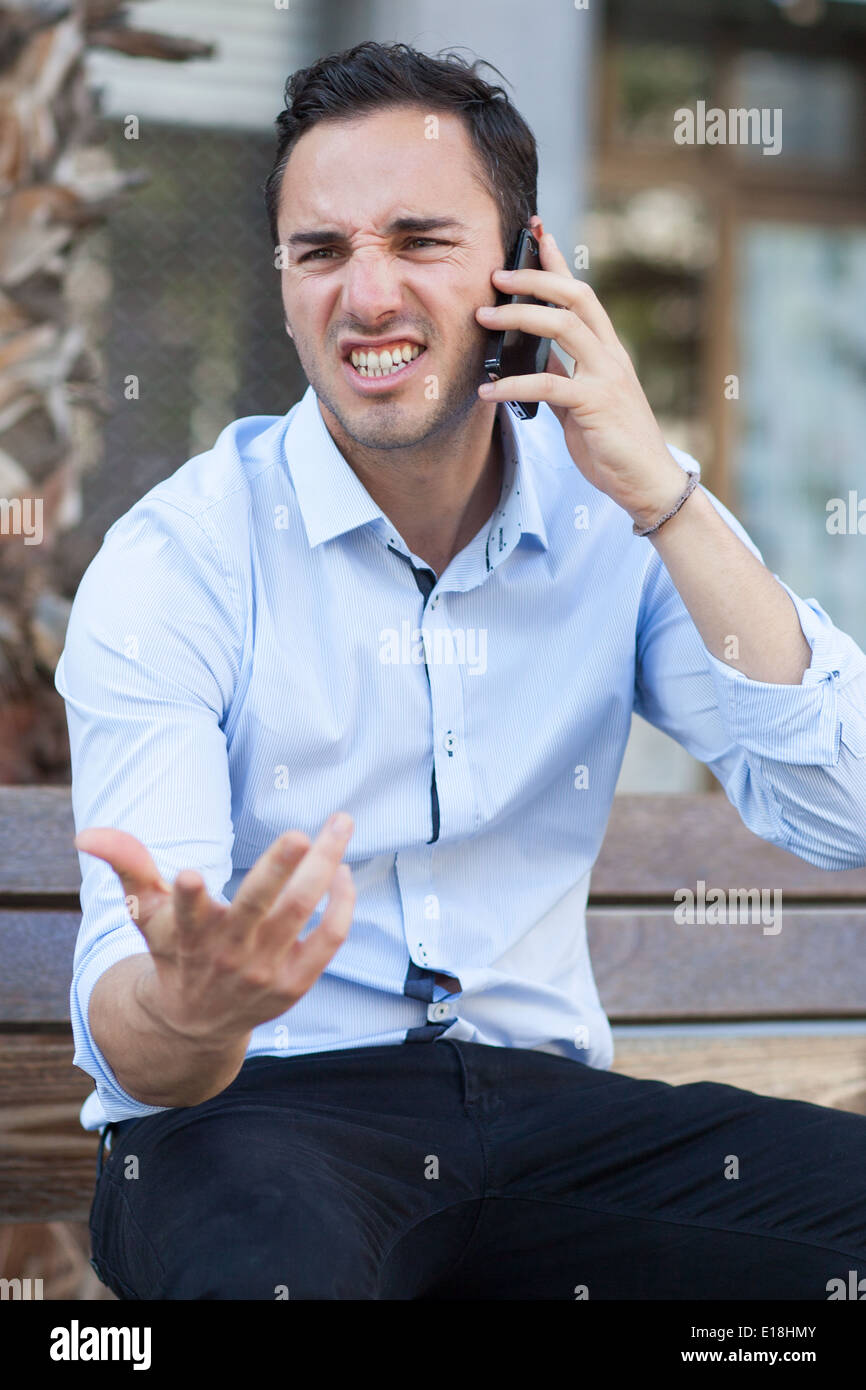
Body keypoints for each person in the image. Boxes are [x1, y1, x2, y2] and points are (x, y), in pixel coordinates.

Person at [56, 41, 866, 1301]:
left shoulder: (616, 515)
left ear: (523, 266)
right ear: (281, 284)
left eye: (417, 240)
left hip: (551, 1123)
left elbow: (842, 812)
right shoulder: (179, 560)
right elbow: (139, 1034)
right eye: (320, 251)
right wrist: (202, 1007)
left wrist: (662, 490)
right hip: (257, 1120)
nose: (365, 294)